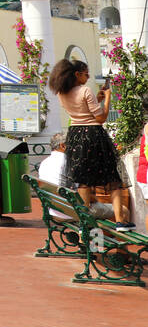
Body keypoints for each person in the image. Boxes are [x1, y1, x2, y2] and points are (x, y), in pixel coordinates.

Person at [48, 58, 132, 228]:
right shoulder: (85, 90)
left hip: (76, 136)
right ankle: (121, 221)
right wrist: (107, 98)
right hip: (94, 135)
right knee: (112, 179)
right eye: (86, 74)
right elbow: (100, 118)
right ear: (77, 74)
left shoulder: (61, 93)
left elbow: (82, 111)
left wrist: (97, 99)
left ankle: (84, 219)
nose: (87, 78)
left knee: (83, 180)